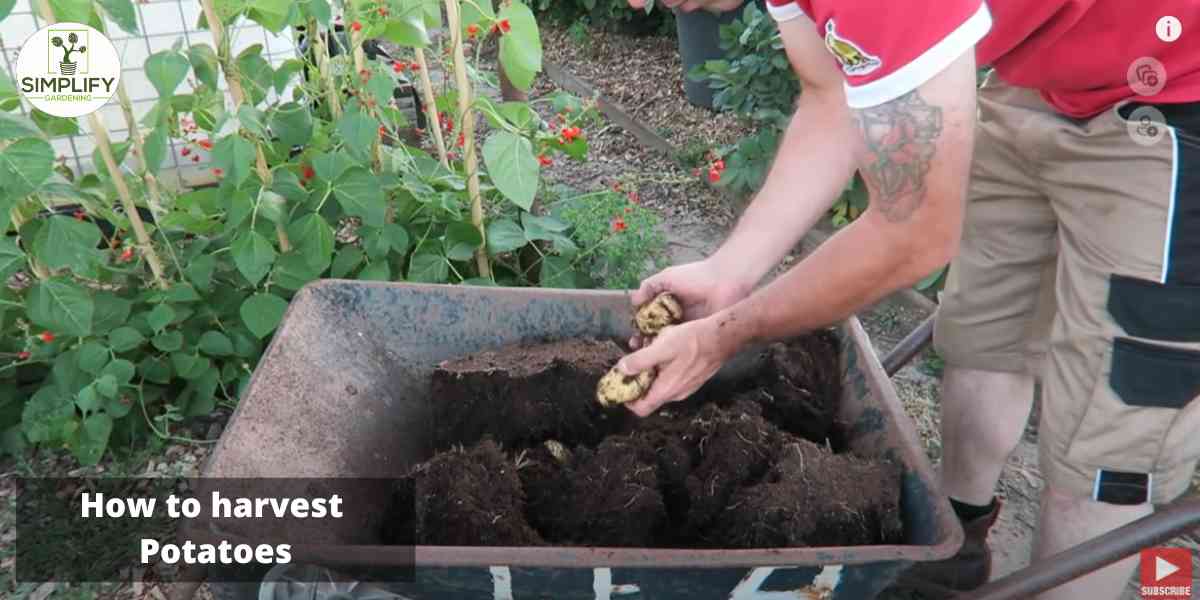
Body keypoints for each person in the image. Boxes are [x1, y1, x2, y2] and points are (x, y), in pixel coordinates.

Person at [620, 0, 1200, 598]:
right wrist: (730, 272)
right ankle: (956, 546)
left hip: (1180, 89)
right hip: (1045, 76)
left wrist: (728, 334)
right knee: (981, 335)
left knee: (1105, 450)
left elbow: (914, 233)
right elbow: (831, 95)